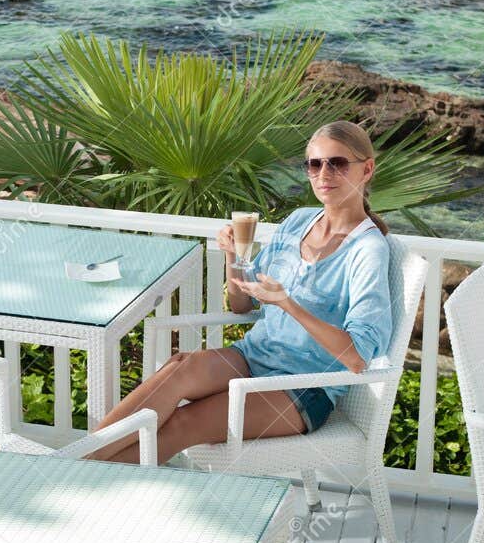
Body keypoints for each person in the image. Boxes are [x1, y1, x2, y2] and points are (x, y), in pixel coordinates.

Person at [88, 120, 393, 464]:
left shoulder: (367, 250)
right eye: (314, 164)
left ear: (367, 169)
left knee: (185, 422)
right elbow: (241, 303)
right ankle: (78, 463)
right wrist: (232, 256)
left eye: (337, 163)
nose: (324, 174)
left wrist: (288, 304)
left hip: (304, 387)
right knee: (178, 368)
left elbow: (357, 358)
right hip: (253, 357)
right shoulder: (299, 221)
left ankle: (84, 476)